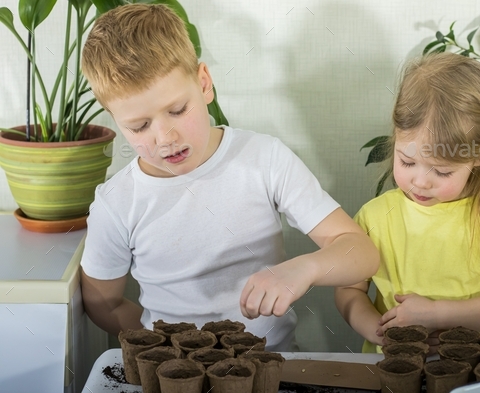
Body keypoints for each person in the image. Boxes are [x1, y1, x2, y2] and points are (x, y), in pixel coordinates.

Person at [79, 3, 379, 351]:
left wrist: (306, 269)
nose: (165, 138)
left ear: (204, 83)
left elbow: (362, 253)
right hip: (174, 373)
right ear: (117, 122)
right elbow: (103, 302)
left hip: (272, 366)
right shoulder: (117, 202)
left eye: (177, 110)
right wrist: (166, 345)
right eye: (139, 126)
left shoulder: (265, 159)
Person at [335, 52, 480, 354]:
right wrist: (378, 331)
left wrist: (436, 314)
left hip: (471, 371)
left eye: (442, 171)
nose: (420, 181)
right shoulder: (376, 217)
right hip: (389, 370)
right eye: (407, 161)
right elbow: (349, 290)